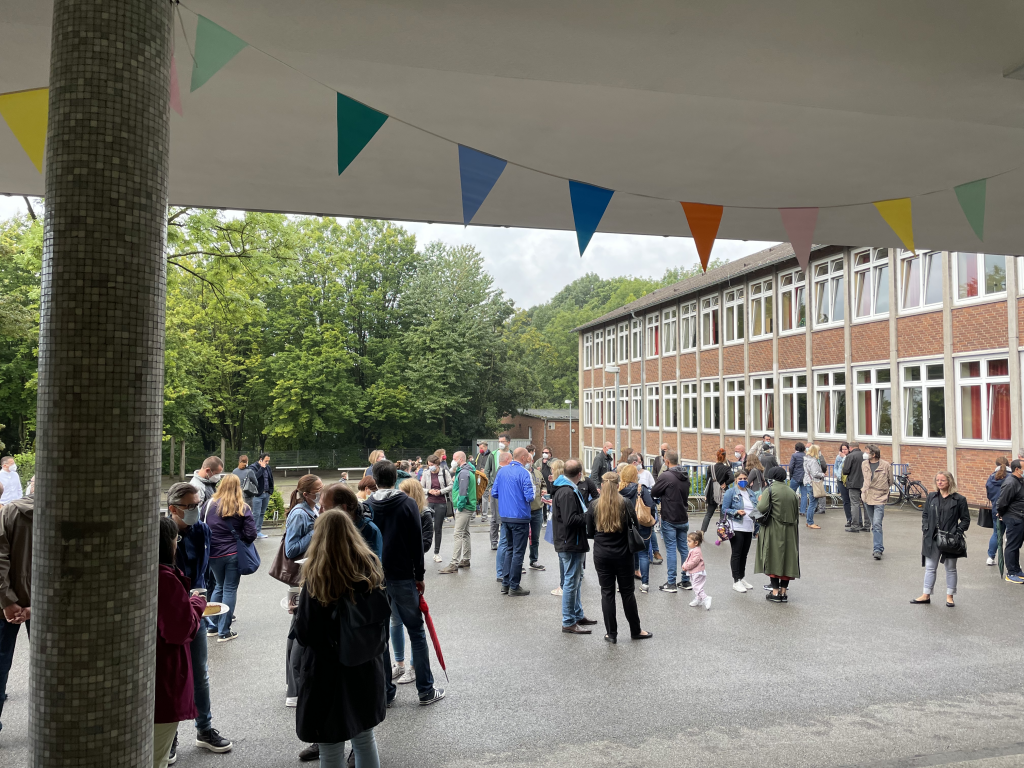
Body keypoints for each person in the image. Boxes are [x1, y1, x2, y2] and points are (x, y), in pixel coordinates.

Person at [292, 509, 387, 768]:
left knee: (330, 745)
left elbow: (305, 633)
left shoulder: (318, 574)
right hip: (365, 661)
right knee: (365, 737)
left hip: (327, 669)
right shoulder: (370, 565)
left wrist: (297, 611)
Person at [366, 460, 445, 705]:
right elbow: (415, 543)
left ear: (375, 480)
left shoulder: (367, 506)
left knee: (381, 635)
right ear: (396, 479)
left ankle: (386, 693)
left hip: (376, 577)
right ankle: (425, 690)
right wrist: (419, 575)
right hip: (403, 575)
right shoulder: (408, 504)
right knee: (417, 632)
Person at [166, 483, 232, 758]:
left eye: (198, 505)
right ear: (173, 509)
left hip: (197, 610)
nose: (196, 510)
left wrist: (203, 597)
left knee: (200, 673)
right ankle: (168, 737)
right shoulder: (162, 533)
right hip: (170, 613)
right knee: (169, 677)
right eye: (190, 507)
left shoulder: (202, 529)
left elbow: (204, 571)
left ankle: (204, 729)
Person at [154, 516, 207, 768]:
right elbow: (180, 629)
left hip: (146, 684)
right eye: (176, 539)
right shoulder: (164, 578)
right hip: (163, 681)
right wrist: (196, 603)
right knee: (156, 758)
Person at [586, 472, 653, 643]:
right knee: (627, 593)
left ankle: (612, 634)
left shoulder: (593, 505)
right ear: (617, 485)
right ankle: (635, 630)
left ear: (602, 485)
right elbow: (635, 526)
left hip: (602, 554)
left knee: (607, 593)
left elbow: (590, 532)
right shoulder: (625, 504)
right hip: (624, 553)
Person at [284, 474, 323, 718]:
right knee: (299, 630)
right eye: (317, 489)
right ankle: (294, 689)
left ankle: (295, 685)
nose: (321, 492)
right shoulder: (300, 513)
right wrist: (317, 531)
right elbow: (291, 548)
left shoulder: (312, 508)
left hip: (310, 577)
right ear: (306, 493)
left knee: (299, 628)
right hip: (302, 578)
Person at [205, 474, 256, 643]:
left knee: (218, 586)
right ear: (238, 487)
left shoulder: (208, 505)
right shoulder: (242, 507)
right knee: (229, 589)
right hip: (234, 553)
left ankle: (212, 626)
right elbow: (251, 534)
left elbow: (201, 526)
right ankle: (224, 631)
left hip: (213, 553)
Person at [911, 471, 970, 608]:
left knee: (950, 568)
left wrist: (958, 532)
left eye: (943, 480)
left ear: (949, 481)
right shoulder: (931, 497)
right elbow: (925, 515)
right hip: (932, 538)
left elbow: (966, 520)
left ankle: (950, 596)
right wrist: (925, 529)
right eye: (937, 480)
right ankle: (926, 595)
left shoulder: (959, 499)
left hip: (950, 539)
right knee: (930, 568)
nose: (940, 482)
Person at [0, 488, 32, 735]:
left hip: (4, 607)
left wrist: (7, 601)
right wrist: (38, 606)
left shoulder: (10, 511)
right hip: (45, 606)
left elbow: (1, 558)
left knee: (0, 665)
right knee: (53, 667)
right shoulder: (64, 513)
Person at [551, 459, 595, 633]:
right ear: (579, 474)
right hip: (570, 541)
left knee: (576, 579)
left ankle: (577, 614)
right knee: (571, 581)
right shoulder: (568, 492)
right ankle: (569, 621)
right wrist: (589, 514)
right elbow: (570, 520)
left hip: (570, 540)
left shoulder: (565, 489)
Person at [493, 448, 535, 596]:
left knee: (509, 549)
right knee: (518, 551)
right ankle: (514, 586)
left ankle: (505, 583)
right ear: (523, 457)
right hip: (520, 516)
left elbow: (494, 492)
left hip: (505, 516)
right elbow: (529, 496)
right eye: (528, 458)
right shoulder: (524, 473)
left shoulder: (502, 471)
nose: (529, 461)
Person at [755, 466, 801, 603]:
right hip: (790, 531)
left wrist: (759, 501)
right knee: (788, 560)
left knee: (773, 558)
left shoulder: (769, 490)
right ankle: (783, 592)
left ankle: (775, 593)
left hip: (773, 529)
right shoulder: (792, 492)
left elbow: (761, 509)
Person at [651, 451, 691, 593]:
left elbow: (654, 492)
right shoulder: (685, 475)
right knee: (684, 549)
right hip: (683, 516)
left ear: (667, 461)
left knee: (671, 550)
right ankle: (686, 580)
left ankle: (671, 582)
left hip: (669, 517)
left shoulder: (666, 476)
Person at [618, 464, 657, 593]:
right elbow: (651, 505)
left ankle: (622, 584)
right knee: (643, 554)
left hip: (624, 526)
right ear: (635, 476)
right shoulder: (641, 489)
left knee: (624, 554)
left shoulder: (618, 490)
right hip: (641, 524)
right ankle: (645, 584)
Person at [721, 469, 757, 593]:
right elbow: (724, 509)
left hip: (748, 527)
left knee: (744, 554)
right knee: (736, 554)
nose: (742, 481)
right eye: (740, 479)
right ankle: (736, 581)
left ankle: (742, 578)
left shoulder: (751, 493)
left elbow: (756, 509)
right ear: (736, 480)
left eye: (745, 479)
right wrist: (736, 512)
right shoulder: (731, 492)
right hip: (736, 526)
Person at [443, 451, 476, 570]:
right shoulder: (468, 471)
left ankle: (454, 563)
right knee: (465, 533)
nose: (452, 460)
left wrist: (460, 506)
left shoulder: (463, 473)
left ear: (460, 459)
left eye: (454, 458)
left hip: (464, 506)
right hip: (469, 505)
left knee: (458, 533)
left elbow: (463, 491)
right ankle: (466, 559)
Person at [861, 444, 893, 560]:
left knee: (877, 524)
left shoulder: (885, 465)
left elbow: (890, 481)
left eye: (867, 451)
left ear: (873, 454)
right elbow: (865, 479)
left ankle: (877, 549)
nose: (865, 453)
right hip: (867, 497)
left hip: (880, 497)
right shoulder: (864, 464)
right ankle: (878, 546)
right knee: (874, 524)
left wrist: (882, 489)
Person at [420, 455, 452, 564]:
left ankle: (436, 553)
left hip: (441, 502)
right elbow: (421, 487)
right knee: (424, 528)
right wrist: (429, 491)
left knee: (437, 528)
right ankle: (421, 552)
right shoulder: (426, 473)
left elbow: (450, 485)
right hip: (428, 501)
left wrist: (441, 491)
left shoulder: (444, 472)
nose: (430, 467)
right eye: (429, 465)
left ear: (437, 464)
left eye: (432, 465)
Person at [997, 459, 1024, 583]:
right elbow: (1002, 502)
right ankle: (1011, 572)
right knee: (1012, 546)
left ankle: (1017, 569)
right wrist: (1001, 514)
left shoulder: (1020, 481)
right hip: (1014, 518)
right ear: (1017, 469)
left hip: (1019, 517)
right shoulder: (1010, 483)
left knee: (1016, 545)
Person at [398, 478, 434, 556]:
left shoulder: (425, 514)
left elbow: (426, 543)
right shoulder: (399, 510)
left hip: (413, 559)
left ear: (411, 494)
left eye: (402, 493)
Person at [525, 447, 547, 571]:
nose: (528, 462)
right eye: (526, 460)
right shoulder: (521, 473)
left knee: (535, 538)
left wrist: (544, 490)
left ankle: (533, 560)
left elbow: (543, 484)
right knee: (521, 538)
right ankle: (519, 563)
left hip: (537, 509)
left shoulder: (538, 473)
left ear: (533, 461)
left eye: (530, 460)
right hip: (524, 511)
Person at [703, 449, 735, 533]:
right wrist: (726, 483)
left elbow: (707, 482)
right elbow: (732, 478)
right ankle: (721, 534)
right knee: (723, 515)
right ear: (724, 458)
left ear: (716, 457)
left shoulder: (711, 468)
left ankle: (702, 532)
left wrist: (706, 494)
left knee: (708, 514)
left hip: (712, 493)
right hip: (723, 492)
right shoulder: (726, 468)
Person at [986, 458, 1009, 566]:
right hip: (1011, 510)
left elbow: (989, 495)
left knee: (996, 533)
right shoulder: (1012, 477)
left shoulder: (991, 478)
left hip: (996, 509)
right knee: (1011, 535)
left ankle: (990, 557)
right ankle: (1012, 561)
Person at [681, 531, 711, 610]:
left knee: (696, 586)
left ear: (696, 542)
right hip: (694, 572)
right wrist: (685, 565)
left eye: (689, 541)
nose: (688, 543)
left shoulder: (696, 551)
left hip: (697, 572)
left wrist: (686, 566)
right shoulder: (694, 550)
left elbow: (694, 562)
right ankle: (698, 599)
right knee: (696, 585)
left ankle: (705, 598)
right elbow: (688, 559)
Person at [842, 442, 867, 532]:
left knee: (855, 504)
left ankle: (855, 525)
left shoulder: (850, 456)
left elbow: (845, 470)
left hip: (853, 483)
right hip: (865, 483)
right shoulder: (865, 455)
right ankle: (867, 526)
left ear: (850, 447)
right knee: (866, 504)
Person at [251, 453, 275, 540]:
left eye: (268, 461)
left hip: (266, 493)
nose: (267, 462)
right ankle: (252, 532)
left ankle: (258, 531)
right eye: (266, 461)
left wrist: (270, 490)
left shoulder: (268, 467)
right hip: (257, 494)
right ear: (261, 459)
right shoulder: (253, 467)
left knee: (262, 513)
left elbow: (270, 478)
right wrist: (261, 468)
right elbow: (254, 477)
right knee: (256, 514)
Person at [803, 444, 825, 529]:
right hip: (813, 483)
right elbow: (815, 473)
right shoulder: (813, 461)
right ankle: (810, 522)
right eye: (819, 450)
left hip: (808, 482)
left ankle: (809, 521)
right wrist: (822, 474)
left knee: (812, 503)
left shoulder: (806, 459)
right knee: (813, 503)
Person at [476, 441, 497, 524]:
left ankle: (484, 515)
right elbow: (475, 464)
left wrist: (486, 471)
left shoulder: (491, 456)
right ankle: (473, 514)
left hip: (485, 479)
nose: (480, 450)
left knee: (484, 496)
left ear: (485, 447)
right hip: (478, 478)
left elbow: (494, 468)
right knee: (476, 495)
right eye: (479, 448)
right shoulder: (478, 455)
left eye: (481, 448)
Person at [787, 442, 808, 518]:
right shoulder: (806, 456)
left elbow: (791, 466)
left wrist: (791, 475)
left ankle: (790, 509)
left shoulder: (794, 455)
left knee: (791, 494)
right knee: (804, 495)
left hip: (795, 476)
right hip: (804, 477)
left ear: (796, 448)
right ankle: (802, 511)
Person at [834, 443, 851, 528]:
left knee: (851, 500)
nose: (843, 451)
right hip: (840, 480)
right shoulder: (838, 457)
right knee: (845, 500)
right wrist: (837, 474)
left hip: (848, 480)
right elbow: (836, 467)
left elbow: (846, 467)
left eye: (845, 449)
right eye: (842, 449)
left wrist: (844, 457)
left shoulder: (849, 457)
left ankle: (854, 519)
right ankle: (849, 518)